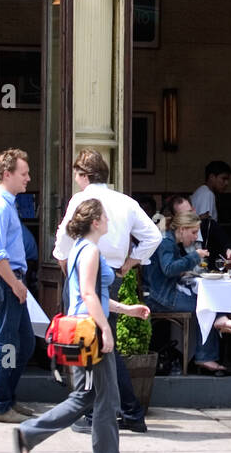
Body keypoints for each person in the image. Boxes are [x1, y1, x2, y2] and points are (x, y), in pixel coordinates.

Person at [13, 198, 147, 453]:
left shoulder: (80, 249)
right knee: (107, 397)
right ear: (96, 222)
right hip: (90, 331)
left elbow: (94, 294)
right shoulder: (91, 252)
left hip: (82, 328)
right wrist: (107, 329)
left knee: (88, 395)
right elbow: (88, 294)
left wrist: (126, 310)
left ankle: (29, 434)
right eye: (106, 217)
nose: (109, 221)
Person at [54, 149, 161, 433]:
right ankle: (129, 411)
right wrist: (131, 261)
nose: (76, 181)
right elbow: (154, 235)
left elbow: (64, 236)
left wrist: (64, 260)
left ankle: (94, 412)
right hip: (112, 273)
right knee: (102, 344)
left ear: (84, 175)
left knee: (86, 342)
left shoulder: (82, 198)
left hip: (85, 271)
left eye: (77, 175)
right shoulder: (125, 201)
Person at [143, 211, 231, 374]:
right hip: (161, 297)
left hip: (163, 293)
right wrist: (194, 256)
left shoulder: (169, 240)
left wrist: (185, 271)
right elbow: (169, 269)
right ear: (182, 229)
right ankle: (207, 352)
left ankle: (218, 326)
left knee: (209, 300)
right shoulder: (166, 242)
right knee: (208, 304)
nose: (194, 237)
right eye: (193, 232)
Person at [0, 149, 37, 424]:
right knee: (8, 343)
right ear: (7, 174)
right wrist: (15, 284)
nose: (28, 179)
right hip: (4, 280)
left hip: (6, 280)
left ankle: (6, 398)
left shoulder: (1, 203)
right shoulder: (0, 206)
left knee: (23, 342)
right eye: (23, 174)